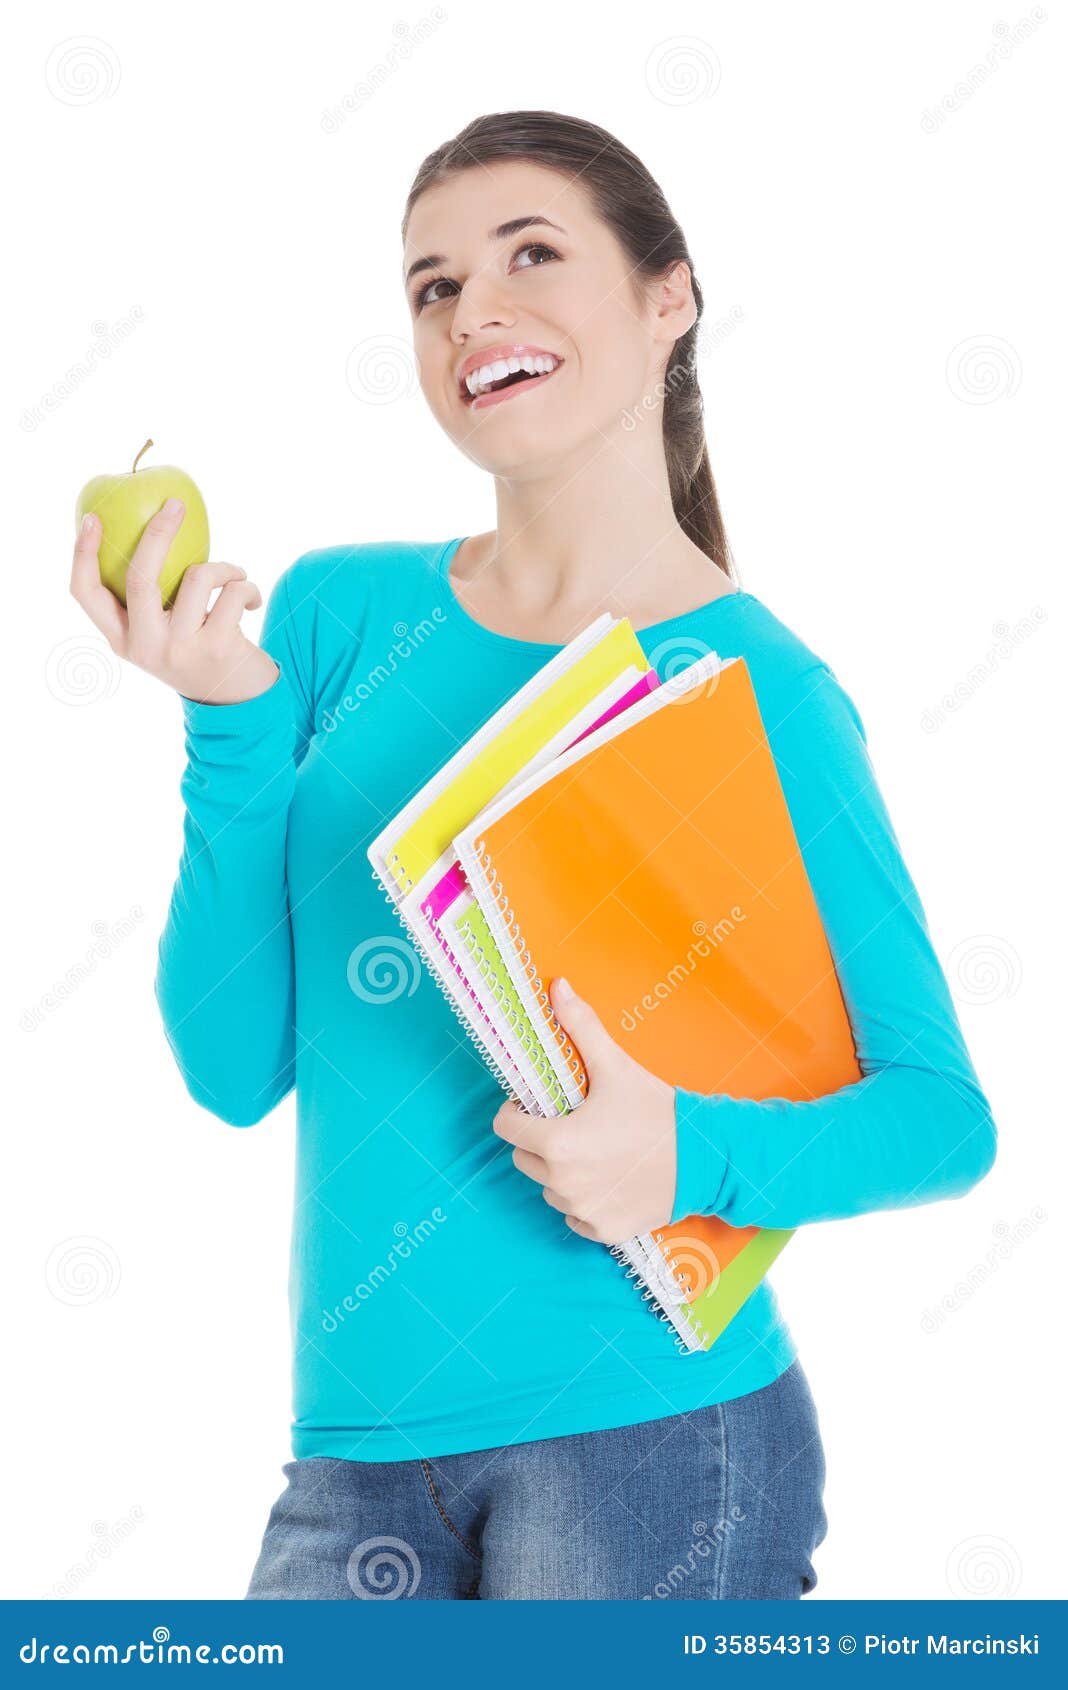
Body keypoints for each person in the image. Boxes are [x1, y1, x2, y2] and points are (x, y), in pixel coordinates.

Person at [70, 111, 997, 1601]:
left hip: (657, 1446)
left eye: (532, 256)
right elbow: (233, 1069)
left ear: (667, 297)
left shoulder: (756, 690)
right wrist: (227, 725)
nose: (471, 311)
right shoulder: (333, 618)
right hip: (352, 1455)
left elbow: (941, 1120)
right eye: (432, 286)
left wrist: (686, 1156)